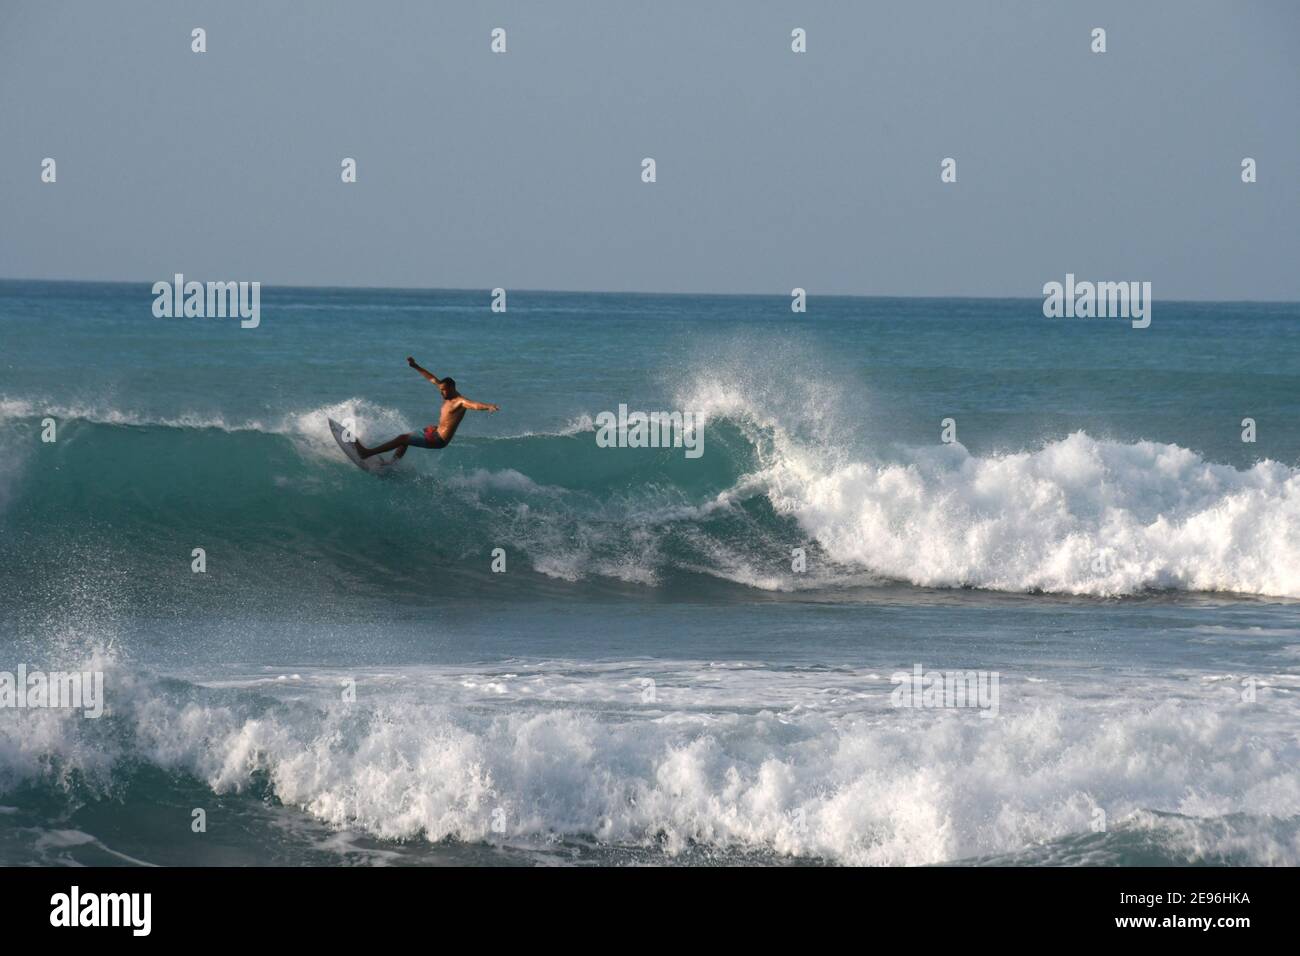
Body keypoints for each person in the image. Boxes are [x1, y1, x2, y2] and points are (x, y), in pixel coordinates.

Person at [354, 357, 499, 460]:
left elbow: (474, 404)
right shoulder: (446, 393)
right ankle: (393, 463)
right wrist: (415, 366)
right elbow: (431, 378)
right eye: (440, 390)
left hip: (439, 440)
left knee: (403, 439)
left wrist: (488, 406)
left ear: (452, 388)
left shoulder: (459, 402)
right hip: (435, 431)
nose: (442, 393)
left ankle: (367, 453)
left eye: (444, 390)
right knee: (406, 438)